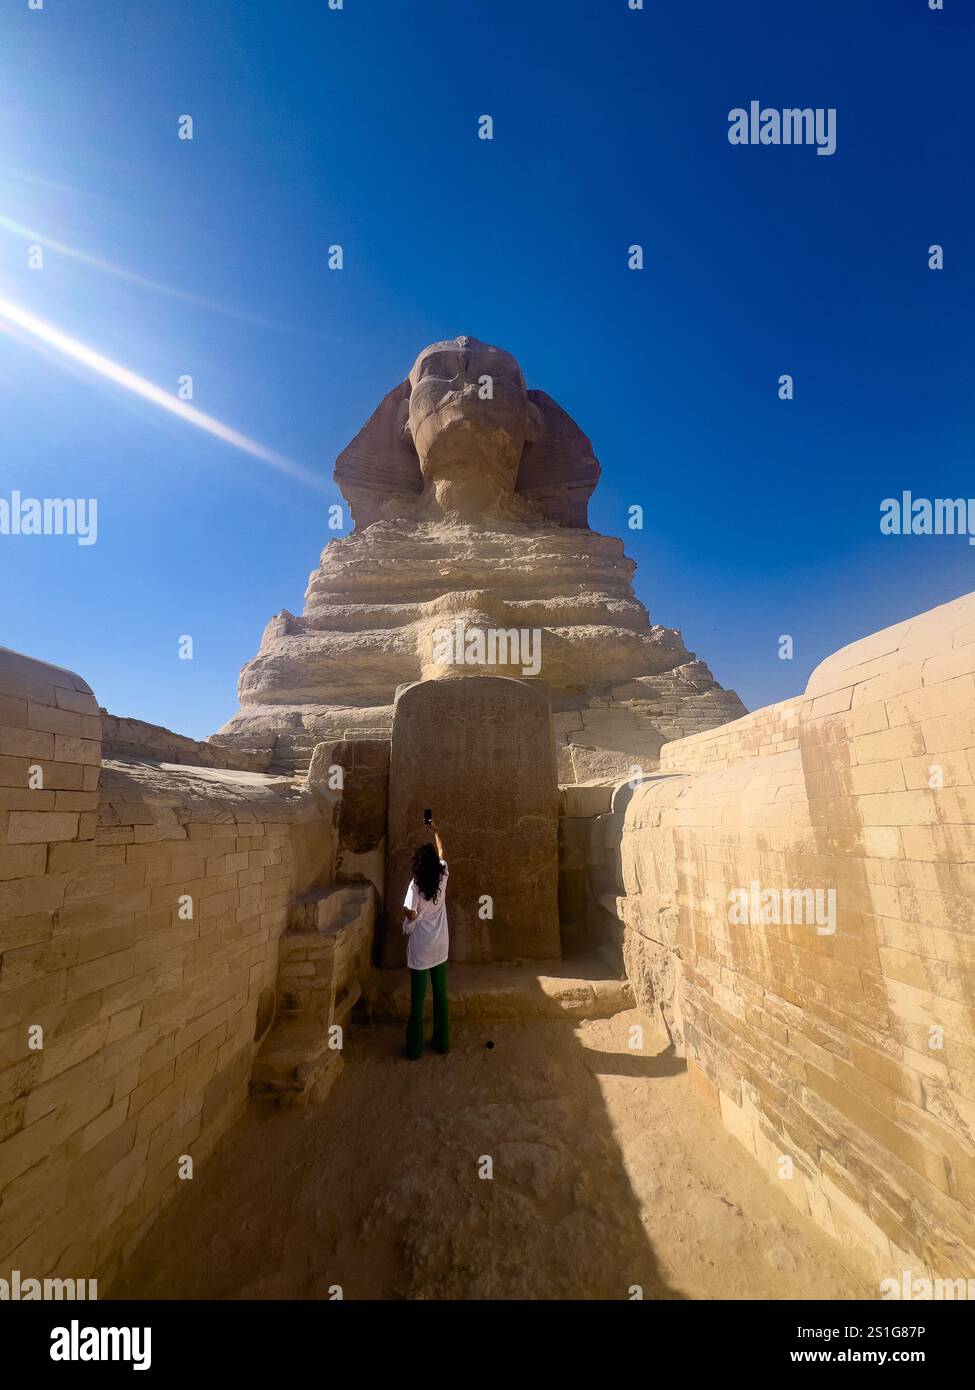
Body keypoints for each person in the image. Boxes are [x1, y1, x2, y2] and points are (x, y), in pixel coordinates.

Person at [402, 819, 449, 1060]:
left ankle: (414, 1048)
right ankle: (442, 1042)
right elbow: (442, 852)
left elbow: (410, 912)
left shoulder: (415, 884)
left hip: (421, 948)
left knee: (417, 1001)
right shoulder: (442, 875)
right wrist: (436, 831)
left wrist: (412, 915)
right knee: (441, 994)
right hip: (440, 944)